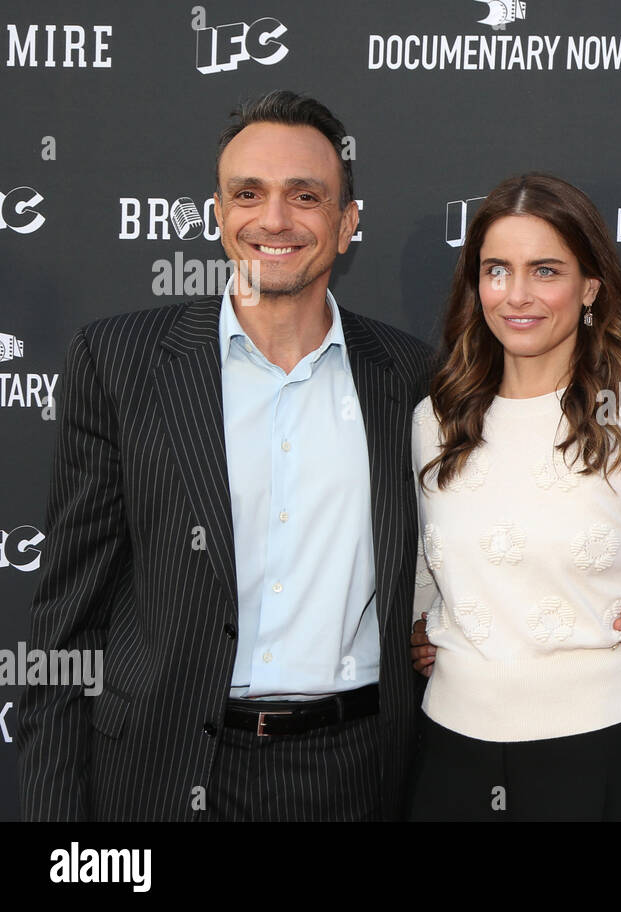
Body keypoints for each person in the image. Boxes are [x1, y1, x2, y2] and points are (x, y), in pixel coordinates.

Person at [17, 90, 433, 821]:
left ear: (347, 224)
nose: (273, 219)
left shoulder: (411, 376)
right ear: (217, 216)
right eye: (249, 194)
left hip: (356, 773)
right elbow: (66, 619)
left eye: (305, 195)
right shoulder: (120, 362)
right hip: (160, 768)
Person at [405, 173, 621, 821]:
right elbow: (426, 587)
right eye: (496, 270)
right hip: (449, 761)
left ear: (590, 288)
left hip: (600, 757)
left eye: (545, 271)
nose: (517, 295)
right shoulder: (434, 420)